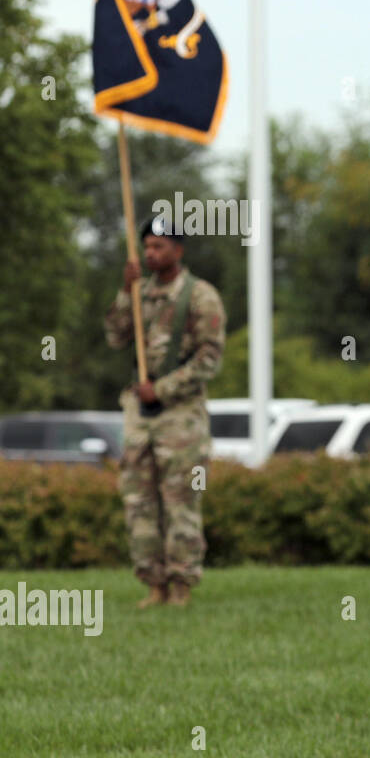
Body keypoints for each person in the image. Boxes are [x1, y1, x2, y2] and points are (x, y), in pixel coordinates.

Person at [105, 214, 226, 608]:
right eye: (148, 246)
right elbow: (115, 337)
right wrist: (126, 292)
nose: (151, 253)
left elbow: (210, 359)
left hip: (181, 415)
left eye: (159, 246)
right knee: (139, 500)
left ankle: (181, 585)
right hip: (141, 414)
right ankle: (153, 583)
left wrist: (162, 388)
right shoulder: (140, 293)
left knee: (181, 500)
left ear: (178, 249)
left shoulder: (200, 295)